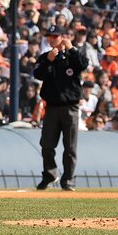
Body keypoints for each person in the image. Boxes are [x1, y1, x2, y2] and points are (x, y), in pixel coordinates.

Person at [34, 25, 86, 191]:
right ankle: (50, 174)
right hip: (52, 107)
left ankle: (68, 179)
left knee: (70, 147)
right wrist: (49, 60)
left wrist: (71, 50)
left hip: (70, 107)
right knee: (47, 145)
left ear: (63, 37)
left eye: (55, 36)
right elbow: (38, 74)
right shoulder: (46, 57)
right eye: (49, 36)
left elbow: (83, 64)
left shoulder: (72, 56)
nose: (52, 39)